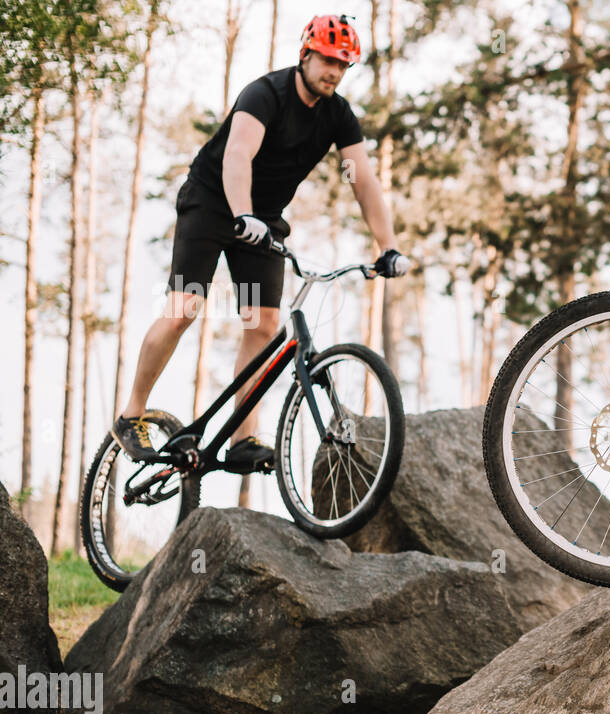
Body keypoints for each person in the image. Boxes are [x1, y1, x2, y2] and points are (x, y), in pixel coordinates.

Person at [113, 13, 410, 472]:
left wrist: (387, 245)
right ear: (305, 54)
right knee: (183, 309)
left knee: (263, 323)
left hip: (262, 222)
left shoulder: (338, 115)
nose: (334, 71)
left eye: (343, 64)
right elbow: (238, 154)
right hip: (213, 204)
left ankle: (242, 438)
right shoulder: (265, 94)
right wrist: (240, 213)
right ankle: (131, 413)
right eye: (328, 60)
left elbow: (363, 178)